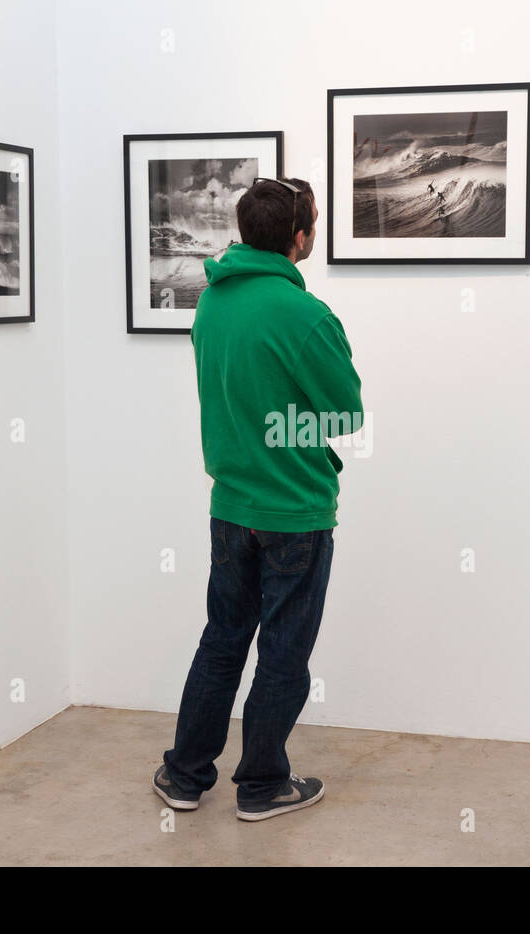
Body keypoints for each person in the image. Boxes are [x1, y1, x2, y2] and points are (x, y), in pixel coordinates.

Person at [153, 176, 363, 822]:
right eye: (316, 224)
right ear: (298, 238)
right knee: (282, 652)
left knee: (222, 639)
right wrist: (298, 428)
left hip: (231, 506)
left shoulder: (212, 303)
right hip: (294, 513)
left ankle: (185, 775)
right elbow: (347, 415)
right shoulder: (306, 315)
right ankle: (263, 783)